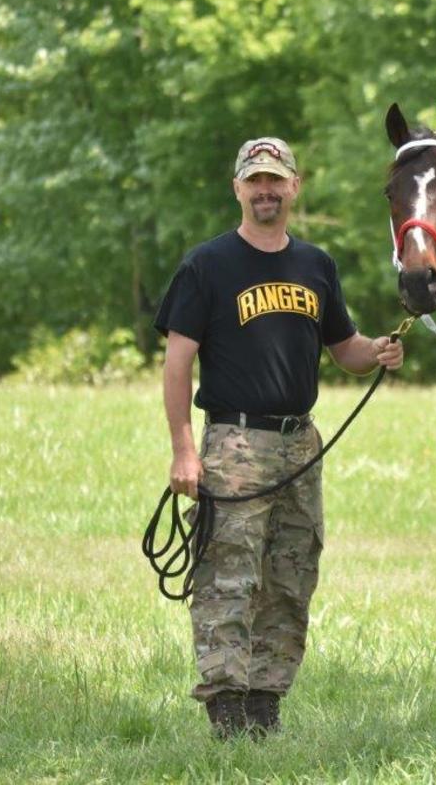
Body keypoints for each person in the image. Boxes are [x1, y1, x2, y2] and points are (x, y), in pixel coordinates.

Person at [154, 137, 403, 739]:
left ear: (294, 185)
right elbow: (177, 364)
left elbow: (344, 350)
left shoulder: (316, 266)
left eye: (276, 179)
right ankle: (226, 707)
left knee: (291, 577)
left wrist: (378, 351)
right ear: (237, 188)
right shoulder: (207, 264)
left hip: (300, 444)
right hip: (234, 444)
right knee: (228, 577)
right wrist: (184, 450)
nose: (266, 190)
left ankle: (266, 701)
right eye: (254, 180)